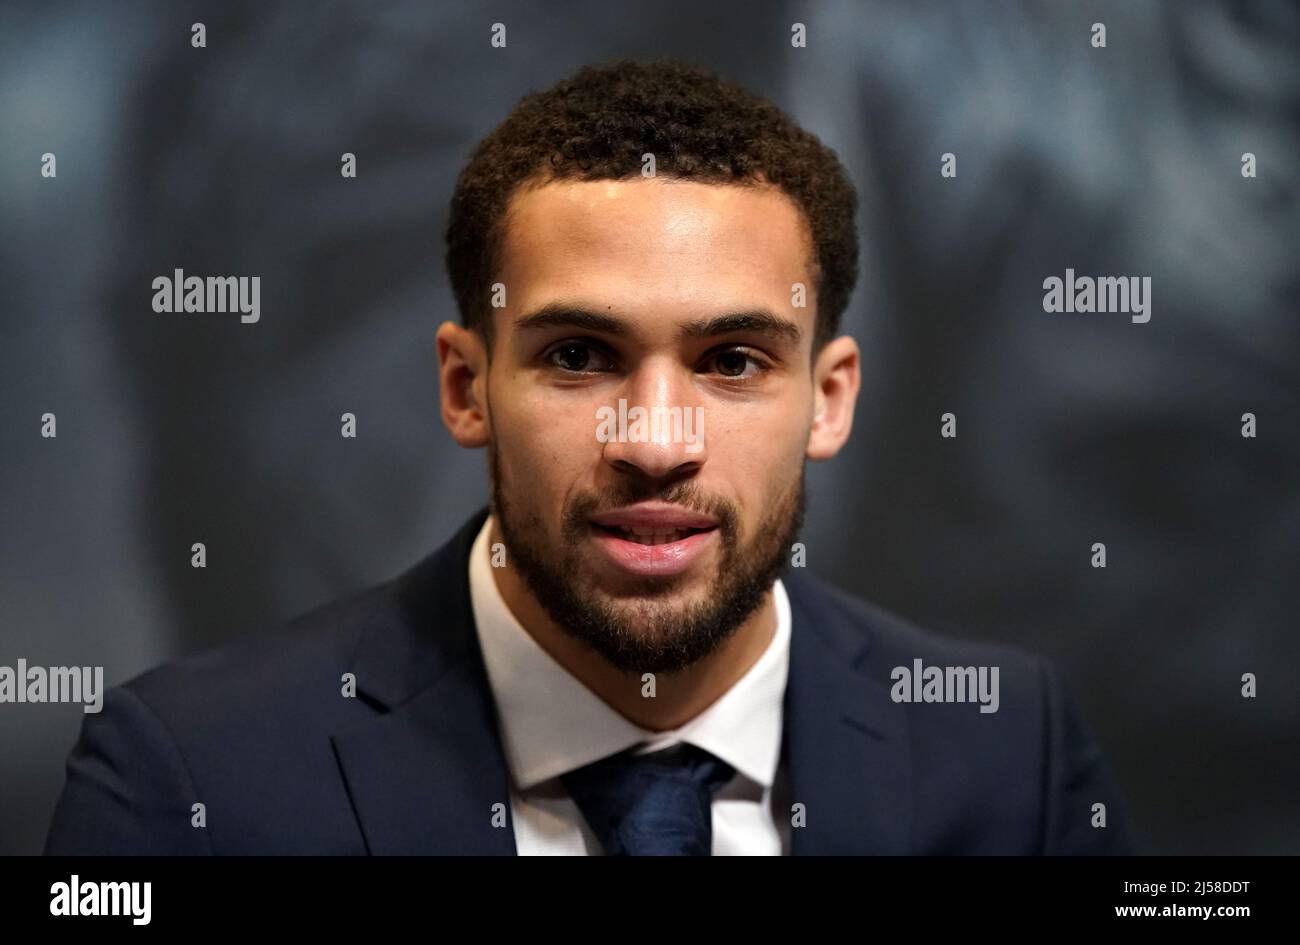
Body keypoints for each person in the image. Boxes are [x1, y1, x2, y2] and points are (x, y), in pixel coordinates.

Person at [45, 58, 1132, 855]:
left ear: (829, 398)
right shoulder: (185, 779)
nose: (654, 443)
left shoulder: (1009, 753)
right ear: (465, 387)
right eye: (578, 356)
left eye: (734, 361)